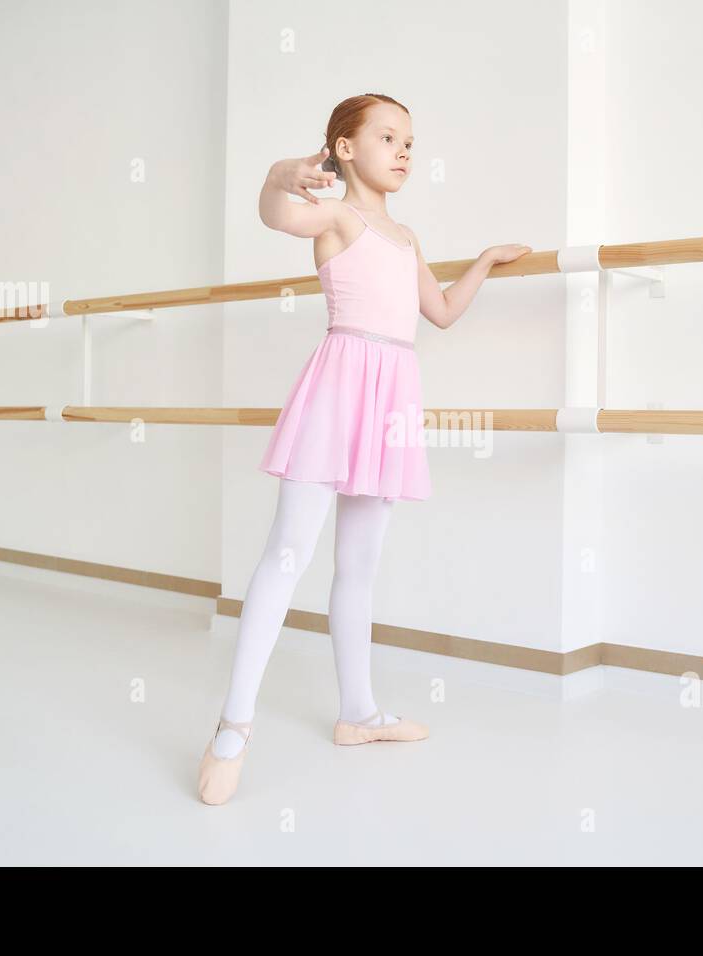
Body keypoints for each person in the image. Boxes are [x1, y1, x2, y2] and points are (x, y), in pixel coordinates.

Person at [198, 93, 532, 805]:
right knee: (289, 552)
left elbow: (438, 312)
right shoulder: (336, 216)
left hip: (392, 395)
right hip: (341, 382)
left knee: (360, 563)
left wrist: (482, 262)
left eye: (410, 140)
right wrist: (284, 170)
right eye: (388, 137)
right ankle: (233, 726)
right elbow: (275, 212)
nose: (405, 150)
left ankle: (358, 714)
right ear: (345, 149)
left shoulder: (405, 235)